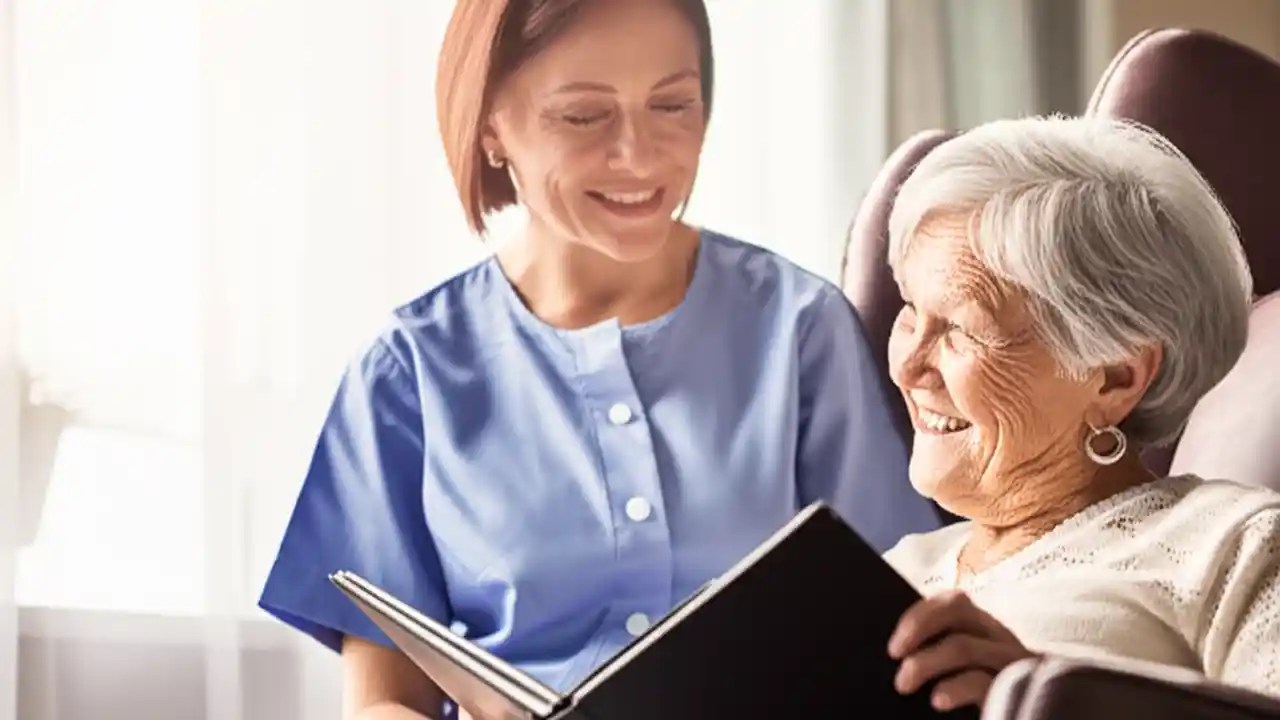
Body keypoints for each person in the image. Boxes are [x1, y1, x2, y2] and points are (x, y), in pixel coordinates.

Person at [257, 1, 940, 718]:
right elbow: (382, 704)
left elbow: (901, 613)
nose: (641, 156)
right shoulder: (407, 374)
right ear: (491, 124)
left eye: (673, 104)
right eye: (584, 116)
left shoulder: (799, 329)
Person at [876, 114, 1280, 713]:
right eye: (911, 310)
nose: (908, 367)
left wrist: (1056, 700)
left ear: (1116, 376)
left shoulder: (1235, 547)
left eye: (962, 330)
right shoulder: (888, 572)